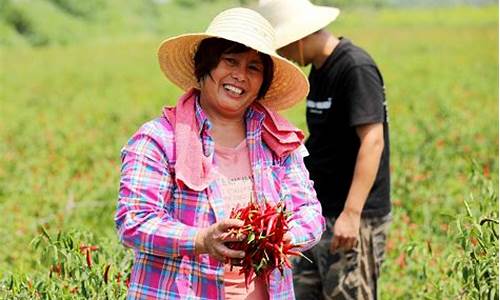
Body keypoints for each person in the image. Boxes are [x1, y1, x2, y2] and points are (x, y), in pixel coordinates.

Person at [115, 7, 325, 300]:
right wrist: (201, 240)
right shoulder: (158, 139)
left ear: (262, 82)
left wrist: (278, 237)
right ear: (206, 66)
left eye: (254, 67)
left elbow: (311, 215)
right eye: (230, 61)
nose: (240, 75)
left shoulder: (277, 140)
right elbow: (133, 221)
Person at [256, 1, 392, 299]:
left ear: (299, 37)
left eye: (282, 45)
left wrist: (352, 213)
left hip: (352, 213)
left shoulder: (354, 67)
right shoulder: (319, 70)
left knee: (348, 293)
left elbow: (373, 141)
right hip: (319, 210)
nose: (281, 54)